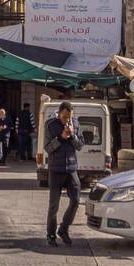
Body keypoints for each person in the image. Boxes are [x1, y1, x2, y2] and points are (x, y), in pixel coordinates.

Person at [43, 101, 81, 247]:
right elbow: (47, 148)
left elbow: (80, 145)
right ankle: (51, 234)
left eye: (70, 117)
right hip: (56, 169)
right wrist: (61, 138)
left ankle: (63, 229)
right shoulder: (51, 125)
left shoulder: (76, 124)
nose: (67, 120)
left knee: (76, 200)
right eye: (65, 117)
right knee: (54, 206)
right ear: (59, 113)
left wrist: (72, 136)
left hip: (71, 168)